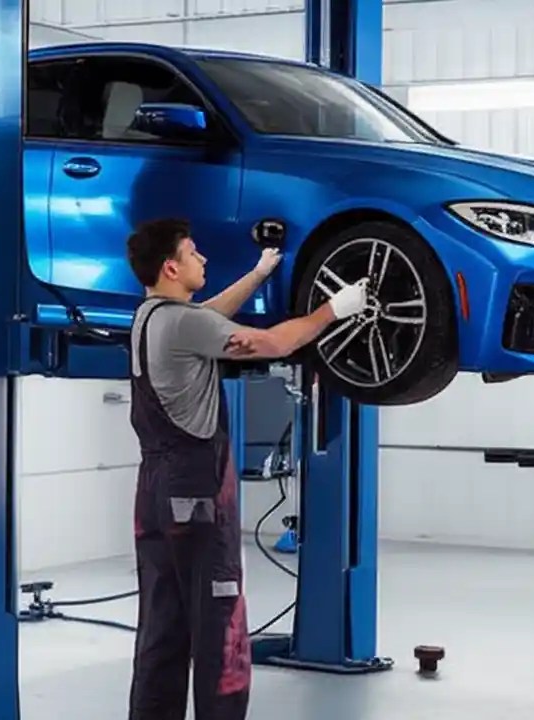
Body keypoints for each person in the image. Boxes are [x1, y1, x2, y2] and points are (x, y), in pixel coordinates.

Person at [122, 217, 367, 720]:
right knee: (220, 625)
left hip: (154, 494)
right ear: (172, 266)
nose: (203, 259)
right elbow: (275, 343)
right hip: (197, 492)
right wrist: (334, 309)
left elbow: (212, 315)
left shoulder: (152, 318)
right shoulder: (185, 324)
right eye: (193, 253)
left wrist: (259, 273)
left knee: (162, 627)